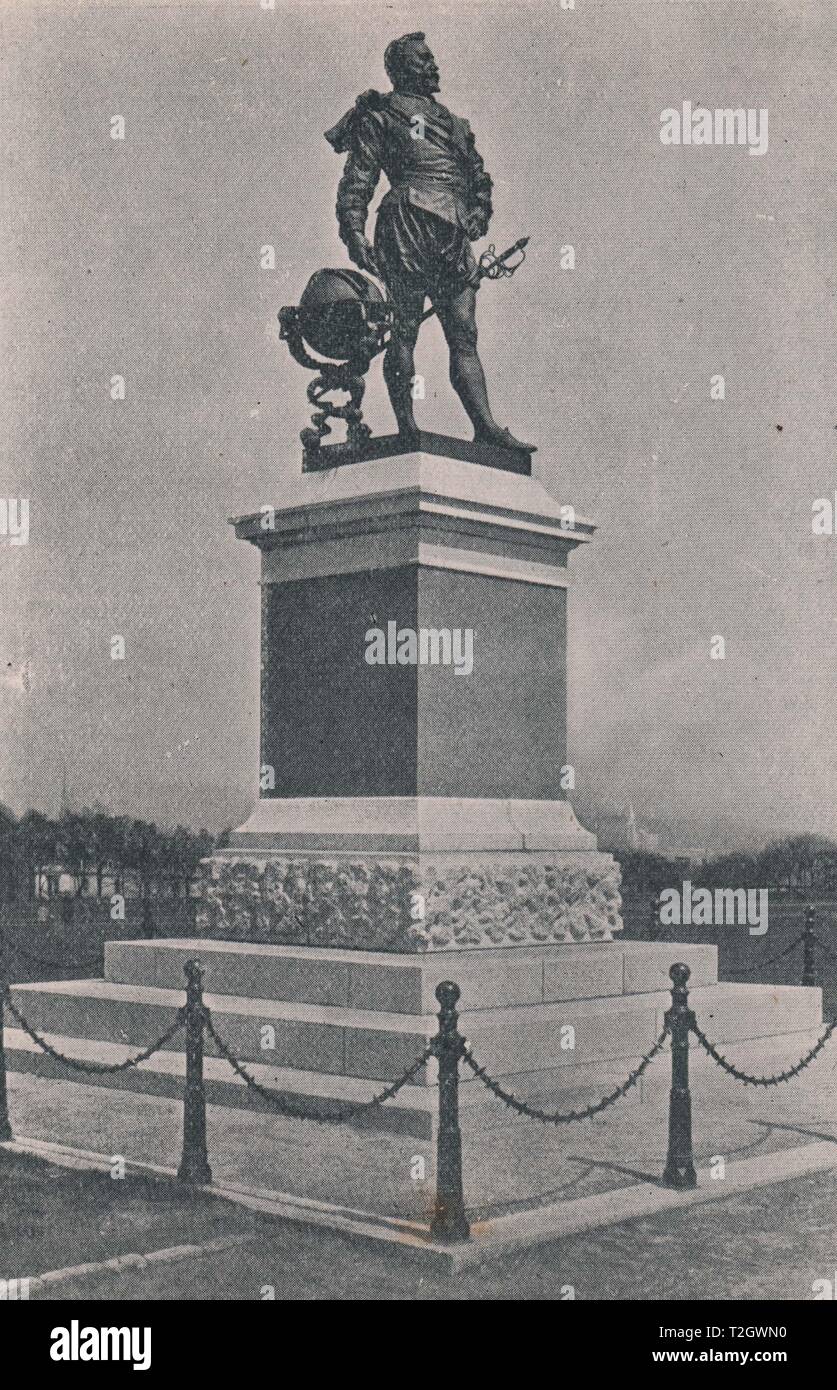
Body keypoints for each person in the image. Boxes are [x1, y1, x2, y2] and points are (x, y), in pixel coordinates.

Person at [326, 32, 535, 451]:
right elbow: (359, 178)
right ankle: (407, 428)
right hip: (407, 221)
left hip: (453, 229)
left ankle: (485, 426)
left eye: (432, 58)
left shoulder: (455, 125)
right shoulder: (380, 114)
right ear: (399, 69)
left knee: (464, 333)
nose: (432, 65)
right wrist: (353, 231)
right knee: (404, 330)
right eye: (422, 60)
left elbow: (477, 176)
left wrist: (478, 211)